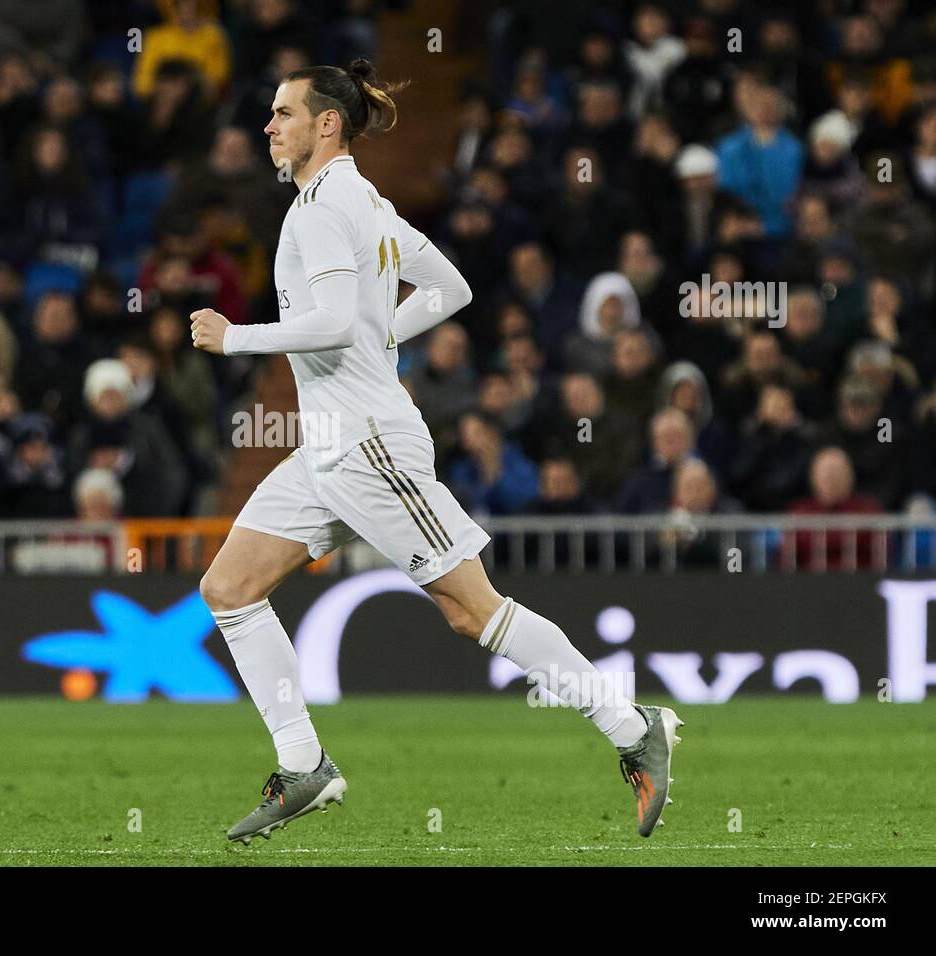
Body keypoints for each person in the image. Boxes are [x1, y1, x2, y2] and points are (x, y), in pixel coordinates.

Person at [189, 60, 683, 845]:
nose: (268, 127)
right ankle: (304, 765)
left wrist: (235, 337)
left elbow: (334, 322)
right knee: (229, 586)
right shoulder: (365, 202)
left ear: (327, 125)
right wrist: (382, 334)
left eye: (282, 113)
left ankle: (631, 727)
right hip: (328, 447)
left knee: (470, 611)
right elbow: (450, 289)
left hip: (369, 446)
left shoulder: (321, 209)